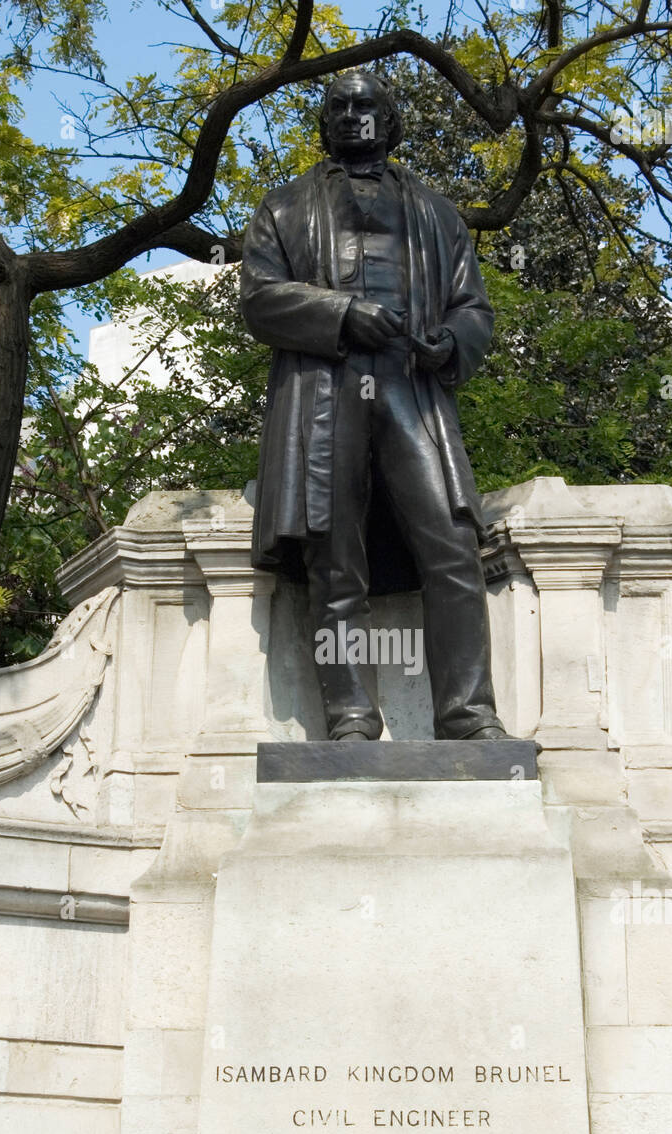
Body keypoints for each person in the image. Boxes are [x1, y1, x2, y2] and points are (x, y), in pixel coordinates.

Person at [239, 68, 510, 741]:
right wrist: (341, 312)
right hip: (323, 390)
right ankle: (352, 717)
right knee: (334, 556)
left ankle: (468, 716)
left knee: (452, 542)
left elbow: (473, 306)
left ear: (389, 121)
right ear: (324, 123)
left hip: (411, 384)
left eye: (365, 105)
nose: (351, 115)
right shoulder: (284, 207)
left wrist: (453, 341)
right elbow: (259, 299)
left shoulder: (437, 213)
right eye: (338, 106)